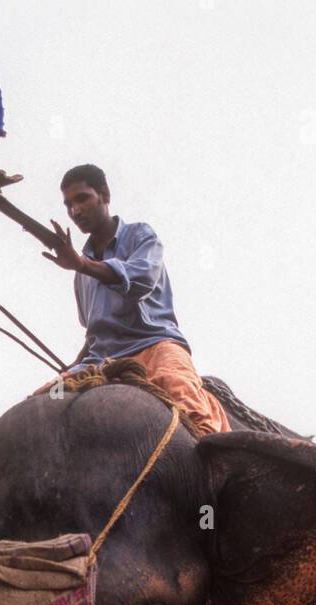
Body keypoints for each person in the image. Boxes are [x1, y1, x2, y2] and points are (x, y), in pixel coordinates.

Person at [38, 164, 230, 436]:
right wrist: (70, 369)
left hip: (154, 347)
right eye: (68, 204)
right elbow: (94, 331)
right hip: (99, 361)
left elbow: (139, 282)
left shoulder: (141, 237)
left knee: (192, 411)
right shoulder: (80, 271)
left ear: (104, 195)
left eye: (82, 199)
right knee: (45, 398)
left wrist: (82, 264)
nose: (75, 211)